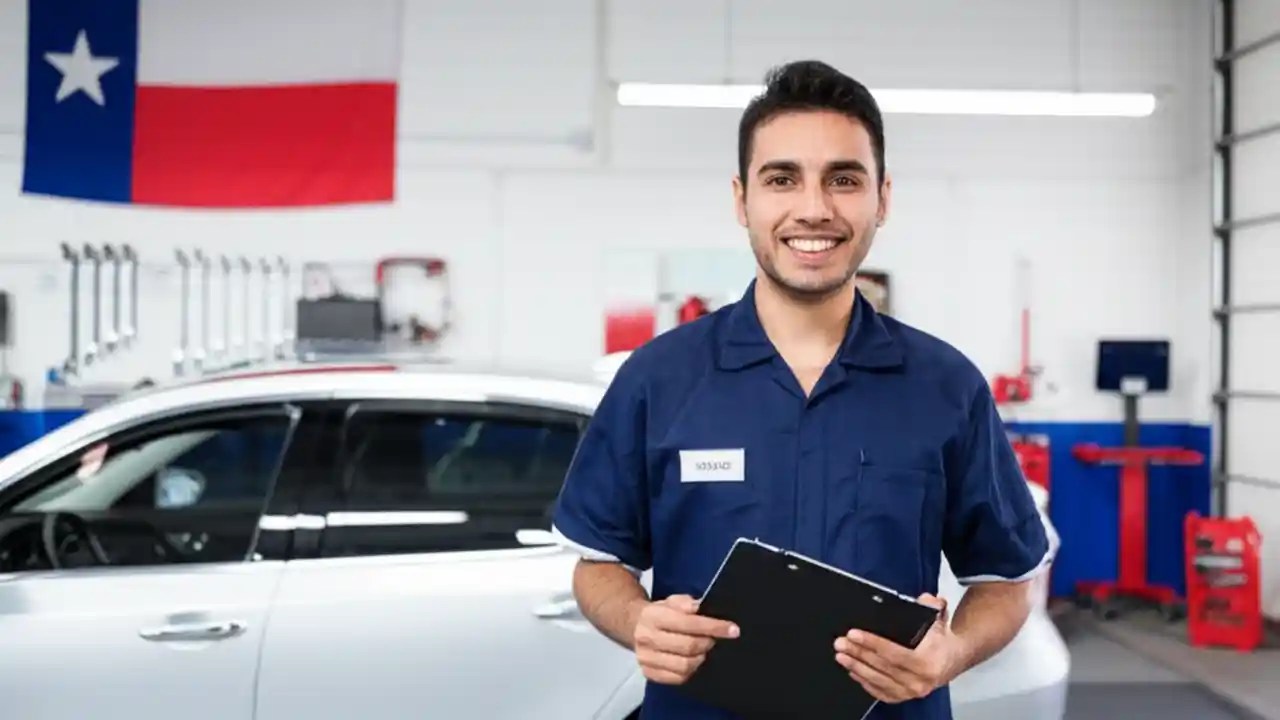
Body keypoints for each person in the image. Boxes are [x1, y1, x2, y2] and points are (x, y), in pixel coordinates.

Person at [551, 59, 1051, 720]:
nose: (813, 209)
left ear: (883, 198)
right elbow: (598, 566)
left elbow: (1007, 580)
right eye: (781, 178)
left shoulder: (946, 387)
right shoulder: (657, 379)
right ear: (742, 199)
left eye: (844, 180)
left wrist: (952, 651)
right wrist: (640, 621)